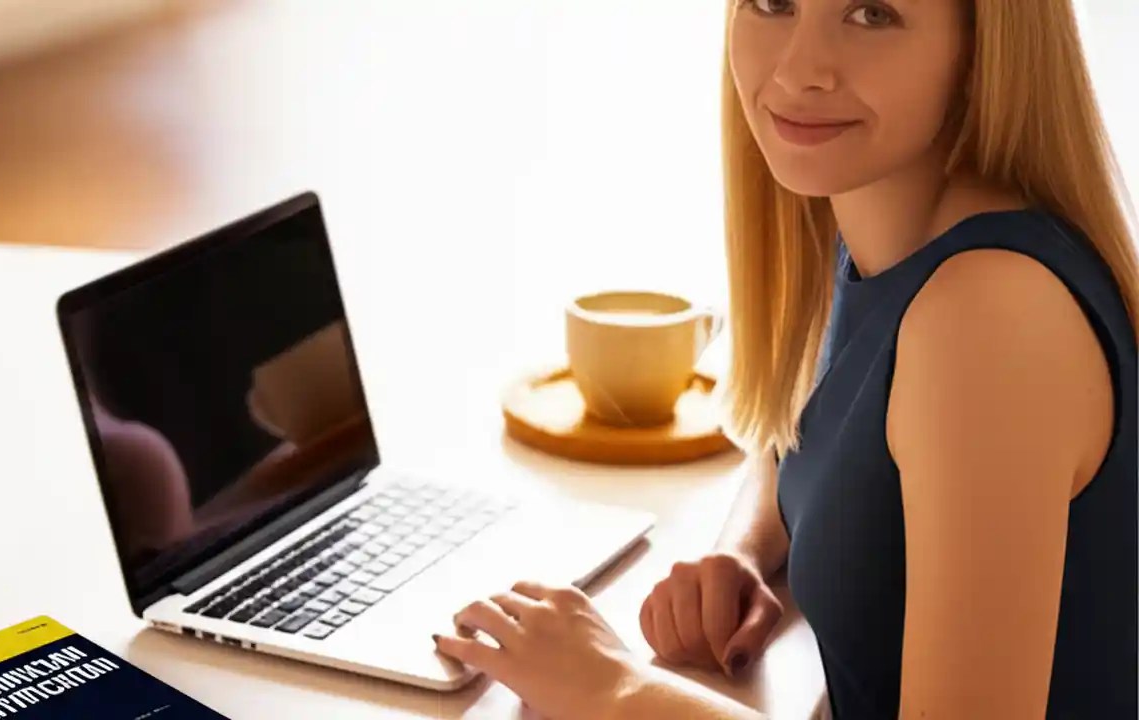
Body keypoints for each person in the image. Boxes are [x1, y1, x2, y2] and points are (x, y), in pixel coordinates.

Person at [433, 1, 1139, 717]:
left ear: (983, 46)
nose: (799, 69)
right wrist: (742, 552)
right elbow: (821, 432)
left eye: (871, 13)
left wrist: (614, 689)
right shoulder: (883, 223)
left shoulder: (988, 317)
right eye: (773, 3)